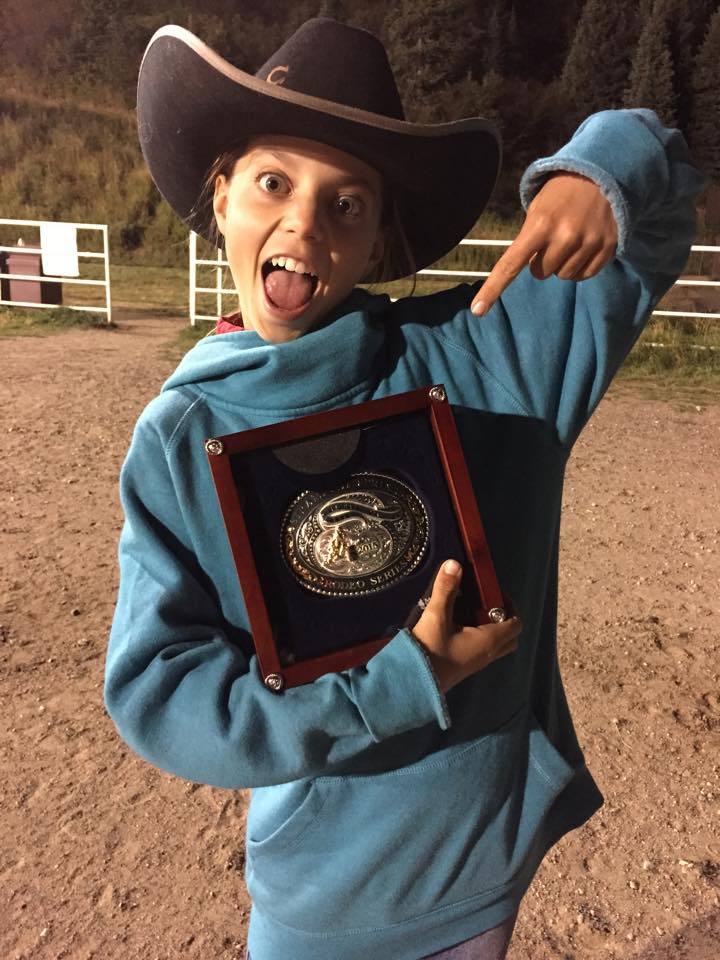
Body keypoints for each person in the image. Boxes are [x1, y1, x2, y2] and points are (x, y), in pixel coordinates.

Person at [104, 17, 704, 960]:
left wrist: (604, 168)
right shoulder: (183, 439)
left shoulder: (491, 357)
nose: (304, 221)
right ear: (220, 199)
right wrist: (393, 689)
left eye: (347, 203)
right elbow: (159, 687)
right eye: (273, 182)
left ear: (382, 238)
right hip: (323, 898)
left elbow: (658, 210)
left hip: (481, 871)